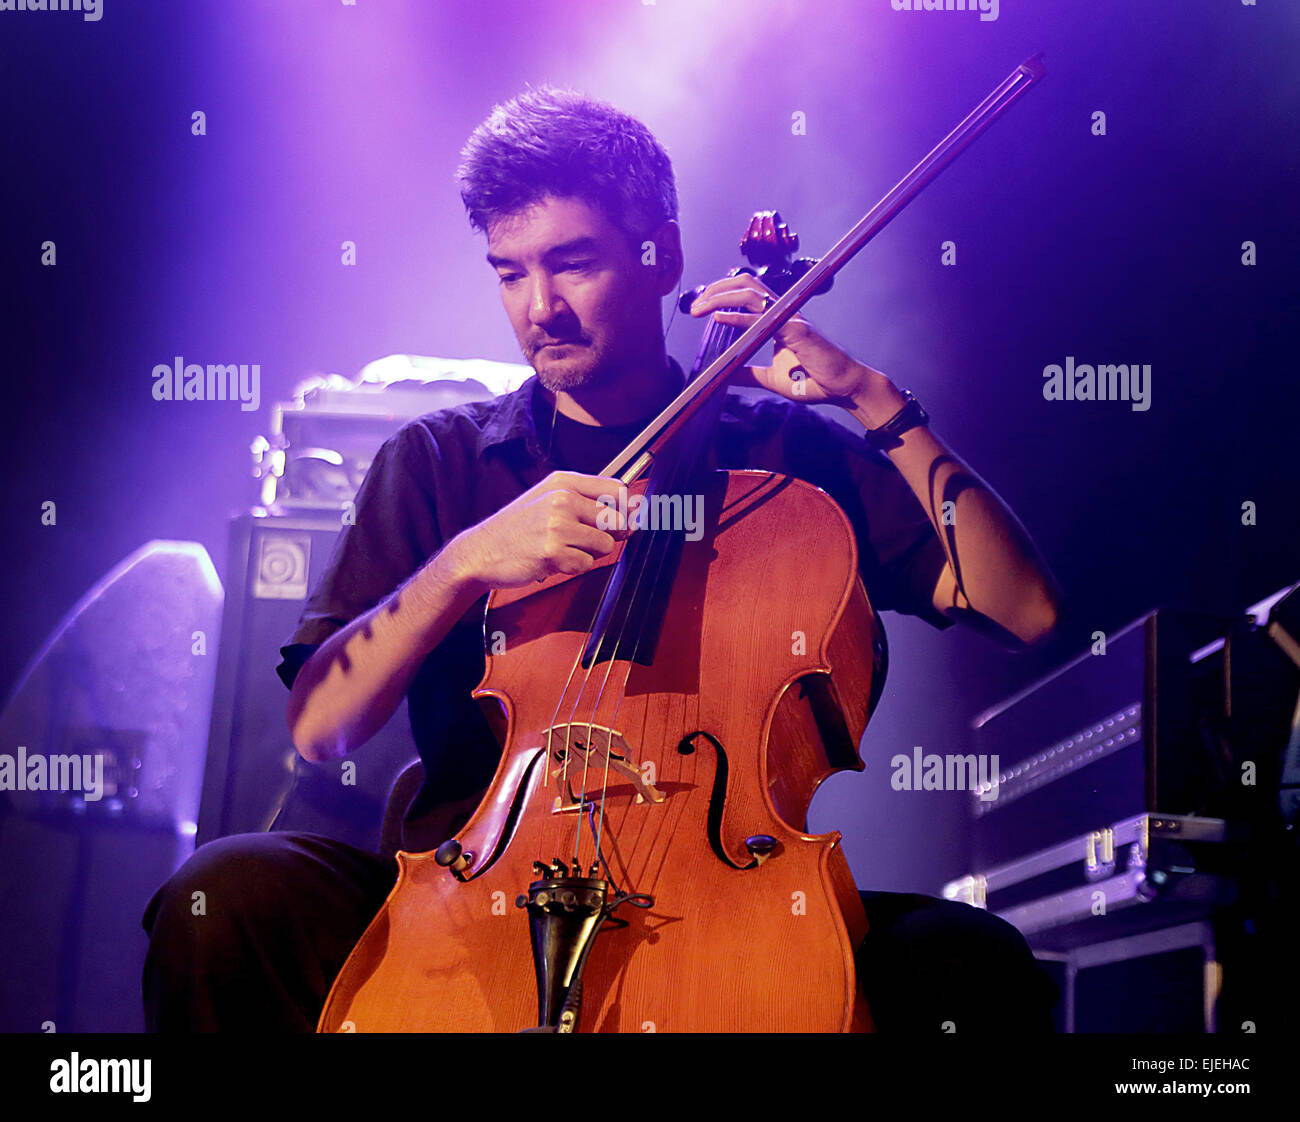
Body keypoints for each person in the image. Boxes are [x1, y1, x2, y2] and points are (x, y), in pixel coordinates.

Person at [142, 86, 1063, 1033]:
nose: (540, 308)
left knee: (971, 962)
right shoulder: (442, 460)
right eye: (509, 273)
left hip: (717, 880)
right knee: (224, 896)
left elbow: (1022, 608)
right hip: (468, 886)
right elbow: (320, 728)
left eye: (573, 264)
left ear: (658, 254)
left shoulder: (790, 453)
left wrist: (872, 397)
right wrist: (466, 562)